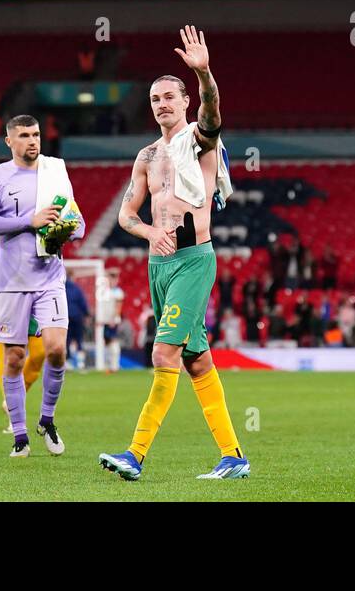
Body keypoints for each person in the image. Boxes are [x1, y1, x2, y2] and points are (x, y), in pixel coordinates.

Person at [100, 26, 249, 482]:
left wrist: (204, 73)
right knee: (197, 361)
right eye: (154, 99)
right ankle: (234, 457)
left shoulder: (200, 140)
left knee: (163, 354)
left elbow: (213, 111)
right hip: (158, 264)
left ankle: (135, 454)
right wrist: (147, 232)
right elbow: (126, 214)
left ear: (184, 101)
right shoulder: (145, 156)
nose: (162, 104)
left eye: (169, 96)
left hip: (192, 260)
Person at [0, 115, 85, 458]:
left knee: (56, 349)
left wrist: (65, 229)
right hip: (10, 283)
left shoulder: (55, 171)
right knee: (14, 359)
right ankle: (20, 435)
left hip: (49, 277)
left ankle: (47, 420)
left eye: (35, 134)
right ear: (10, 141)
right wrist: (29, 221)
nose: (32, 141)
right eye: (24, 135)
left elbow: (78, 224)